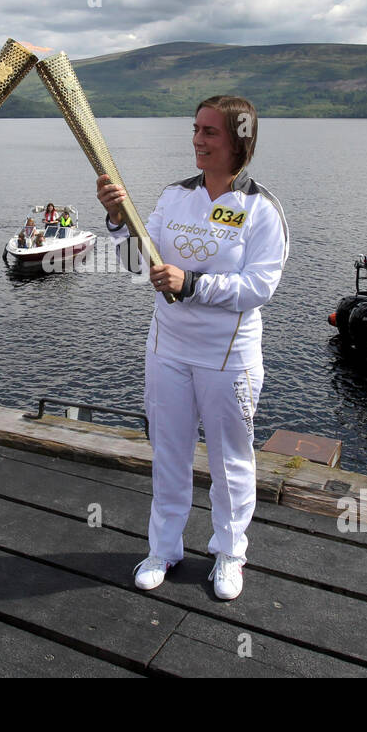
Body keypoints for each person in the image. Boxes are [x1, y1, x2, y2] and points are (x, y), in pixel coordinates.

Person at [97, 95, 288, 601]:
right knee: (170, 453)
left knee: (230, 460)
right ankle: (164, 548)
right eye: (196, 130)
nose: (198, 141)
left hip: (228, 357)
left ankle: (229, 551)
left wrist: (192, 284)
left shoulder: (260, 209)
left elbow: (260, 287)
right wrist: (119, 220)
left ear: (238, 141)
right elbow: (140, 264)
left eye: (210, 133)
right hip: (168, 349)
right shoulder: (174, 197)